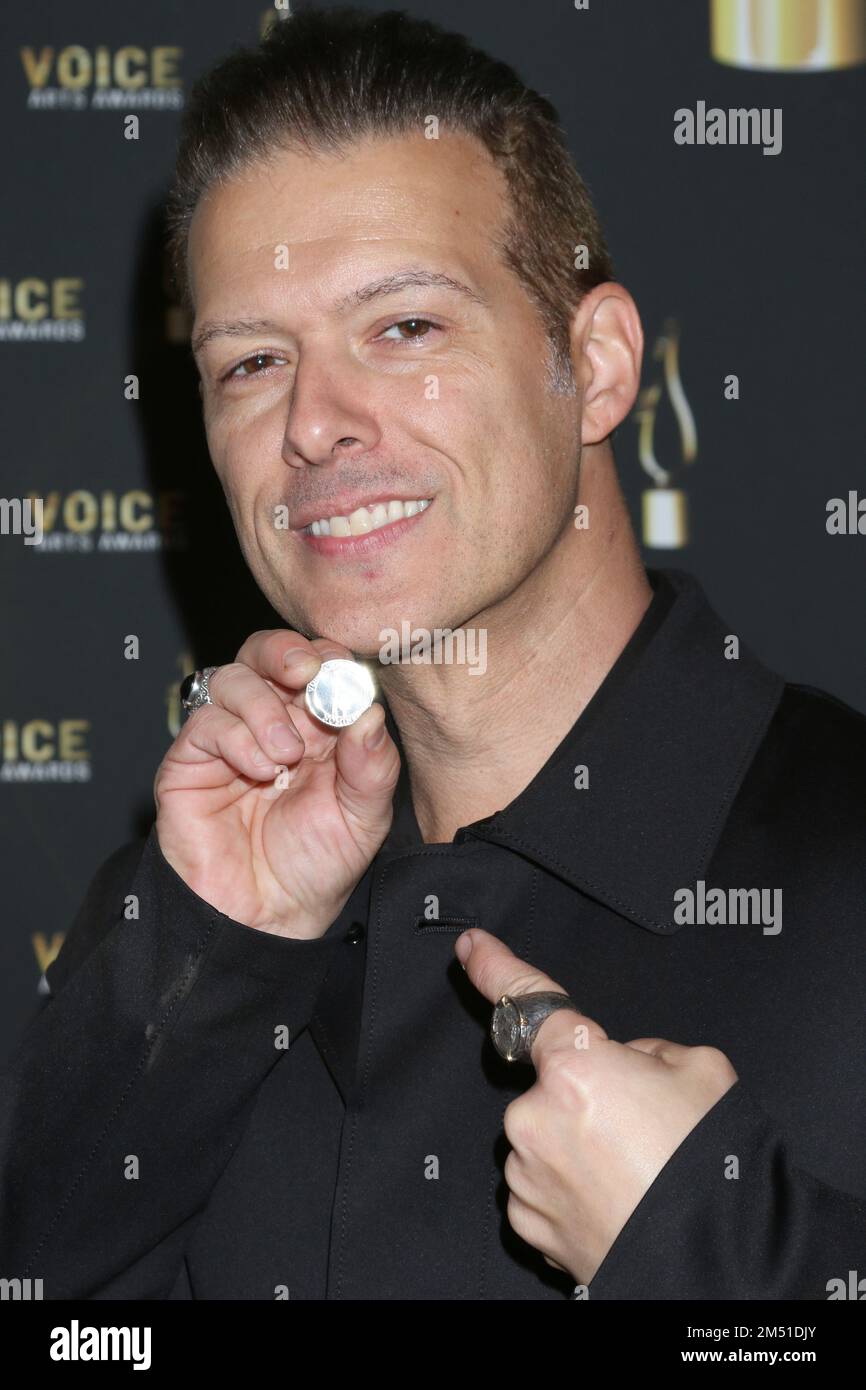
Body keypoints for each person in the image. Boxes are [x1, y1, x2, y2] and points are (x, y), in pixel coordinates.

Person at [2, 7, 865, 1301]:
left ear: (598, 362)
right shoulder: (207, 900)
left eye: (402, 327)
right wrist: (199, 967)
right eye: (250, 363)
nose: (311, 424)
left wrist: (707, 1251)